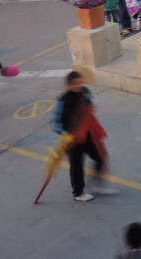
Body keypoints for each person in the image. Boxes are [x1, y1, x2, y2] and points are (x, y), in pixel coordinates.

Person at [54, 70, 116, 201]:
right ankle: (78, 193)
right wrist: (66, 135)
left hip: (89, 135)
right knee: (77, 167)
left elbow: (91, 105)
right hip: (73, 141)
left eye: (80, 82)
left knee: (101, 157)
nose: (78, 86)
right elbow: (57, 123)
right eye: (75, 84)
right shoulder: (63, 100)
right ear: (68, 86)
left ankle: (96, 184)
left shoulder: (85, 91)